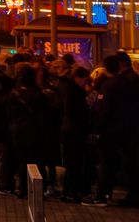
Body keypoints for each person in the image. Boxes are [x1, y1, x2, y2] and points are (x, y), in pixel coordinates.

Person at [88, 52, 139, 206]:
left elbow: (103, 111)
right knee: (131, 163)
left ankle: (102, 194)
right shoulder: (133, 81)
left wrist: (98, 130)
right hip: (131, 129)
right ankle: (134, 195)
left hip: (112, 131)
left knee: (107, 162)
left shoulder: (111, 85)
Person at [10, 68, 50, 198]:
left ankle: (22, 189)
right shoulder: (38, 94)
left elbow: (9, 113)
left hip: (18, 131)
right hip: (35, 131)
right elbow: (45, 114)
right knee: (37, 161)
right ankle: (40, 189)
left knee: (22, 161)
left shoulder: (14, 93)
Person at [57, 66, 93, 203]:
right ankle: (73, 191)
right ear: (78, 77)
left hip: (69, 130)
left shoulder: (68, 89)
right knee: (74, 162)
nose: (86, 82)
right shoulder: (75, 91)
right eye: (85, 79)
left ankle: (69, 192)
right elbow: (76, 112)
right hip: (75, 131)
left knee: (71, 162)